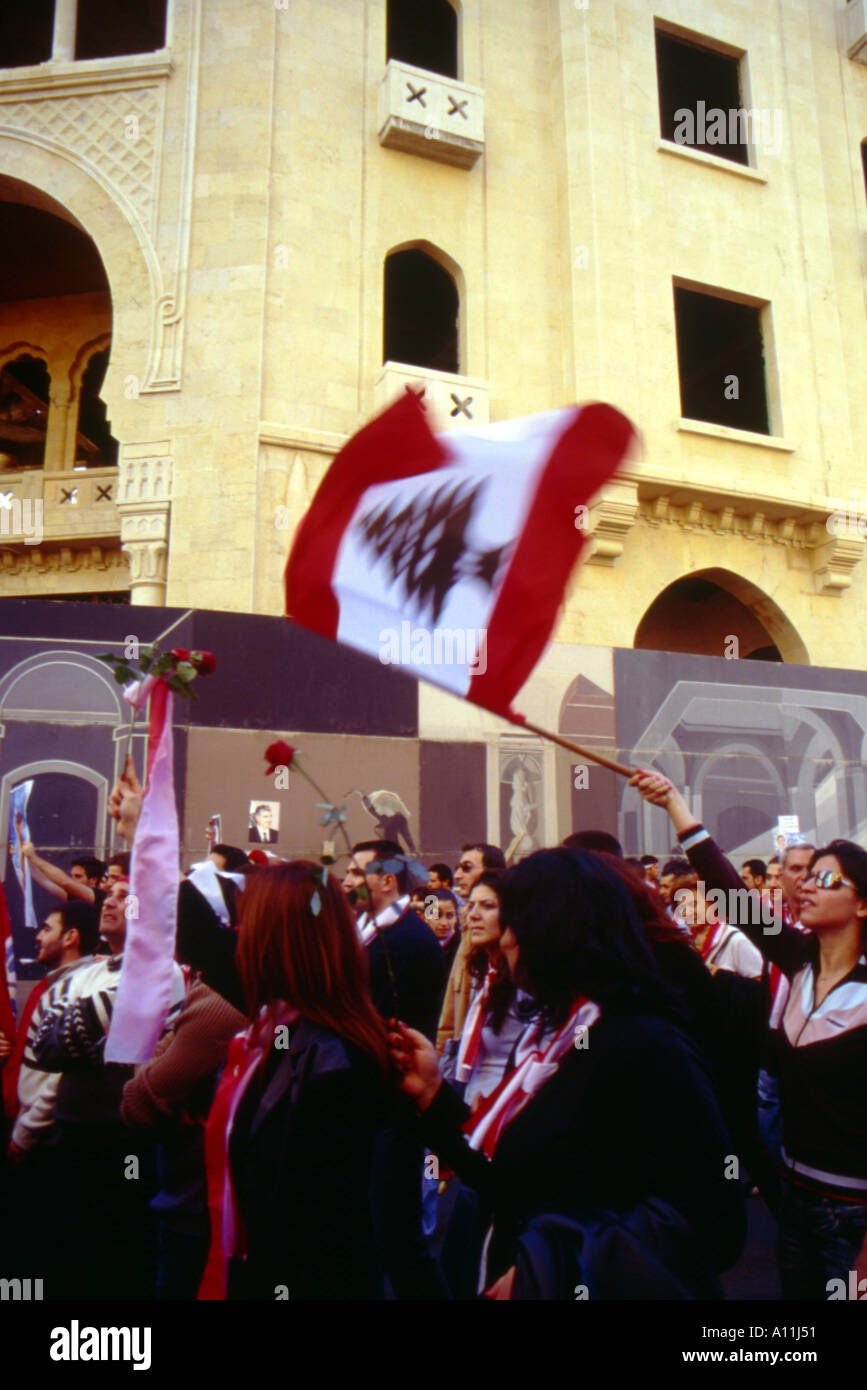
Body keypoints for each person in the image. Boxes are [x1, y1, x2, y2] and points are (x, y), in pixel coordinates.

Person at [390, 849, 745, 1299]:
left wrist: (558, 1263)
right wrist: (433, 1096)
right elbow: (512, 1181)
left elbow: (715, 1224)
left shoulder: (645, 1043)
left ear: (556, 932)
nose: (504, 940)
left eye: (515, 923)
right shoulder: (559, 1032)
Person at [629, 769, 867, 1298]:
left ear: (863, 903)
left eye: (826, 879)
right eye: (803, 875)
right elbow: (730, 893)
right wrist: (673, 802)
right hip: (797, 1199)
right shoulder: (798, 960)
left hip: (855, 1216)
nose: (805, 884)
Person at [219, 862, 391, 1300]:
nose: (239, 937)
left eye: (248, 924)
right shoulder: (284, 1033)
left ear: (275, 938)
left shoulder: (334, 1058)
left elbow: (317, 1222)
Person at [30, 878, 186, 1299]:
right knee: (69, 1247)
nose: (110, 903)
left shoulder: (161, 971)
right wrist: (84, 1034)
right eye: (109, 895)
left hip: (121, 1138)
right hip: (72, 1129)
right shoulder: (92, 971)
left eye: (125, 897)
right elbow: (46, 1046)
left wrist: (78, 1031)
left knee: (115, 1251)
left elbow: (73, 1037)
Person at [437, 843, 506, 1057]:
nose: (458, 875)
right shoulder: (432, 897)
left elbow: (581, 1039)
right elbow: (452, 1009)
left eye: (466, 868)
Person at [423, 887, 461, 978]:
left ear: (456, 917)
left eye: (450, 916)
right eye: (437, 916)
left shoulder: (461, 946)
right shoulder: (419, 944)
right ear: (426, 917)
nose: (444, 923)